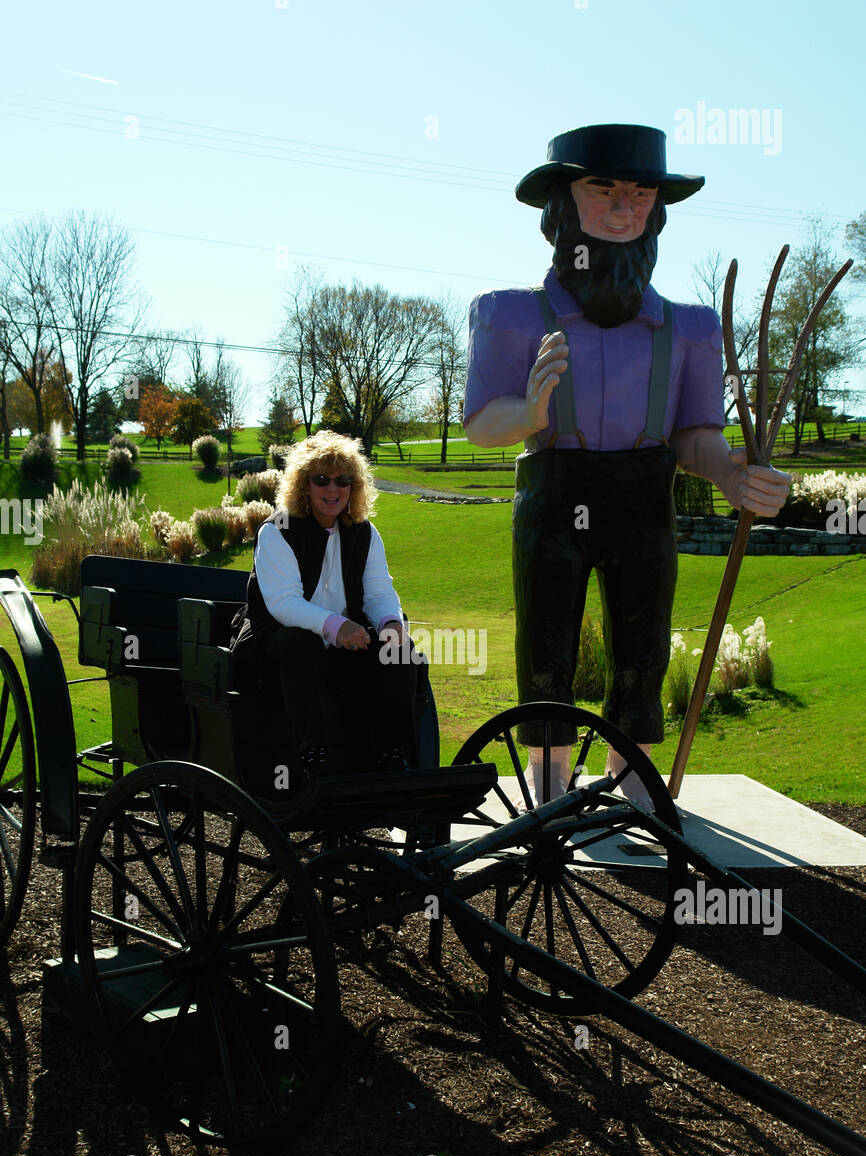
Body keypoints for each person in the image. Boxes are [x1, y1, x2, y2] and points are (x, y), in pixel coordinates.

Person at [463, 123, 790, 806]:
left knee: (642, 648)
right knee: (546, 645)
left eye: (640, 193)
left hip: (644, 499)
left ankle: (631, 780)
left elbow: (695, 437)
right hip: (556, 495)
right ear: (563, 201)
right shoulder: (512, 315)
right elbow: (479, 426)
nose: (623, 207)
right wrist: (525, 414)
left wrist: (733, 474)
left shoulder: (691, 328)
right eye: (602, 188)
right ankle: (549, 790)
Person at [230, 430, 417, 778]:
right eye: (321, 480)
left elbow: (378, 592)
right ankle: (311, 757)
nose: (333, 490)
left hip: (340, 652)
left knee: (398, 648)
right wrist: (336, 625)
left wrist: (391, 623)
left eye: (343, 481)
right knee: (302, 644)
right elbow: (284, 604)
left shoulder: (364, 532)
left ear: (354, 486)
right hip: (274, 650)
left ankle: (391, 754)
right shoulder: (277, 531)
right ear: (303, 485)